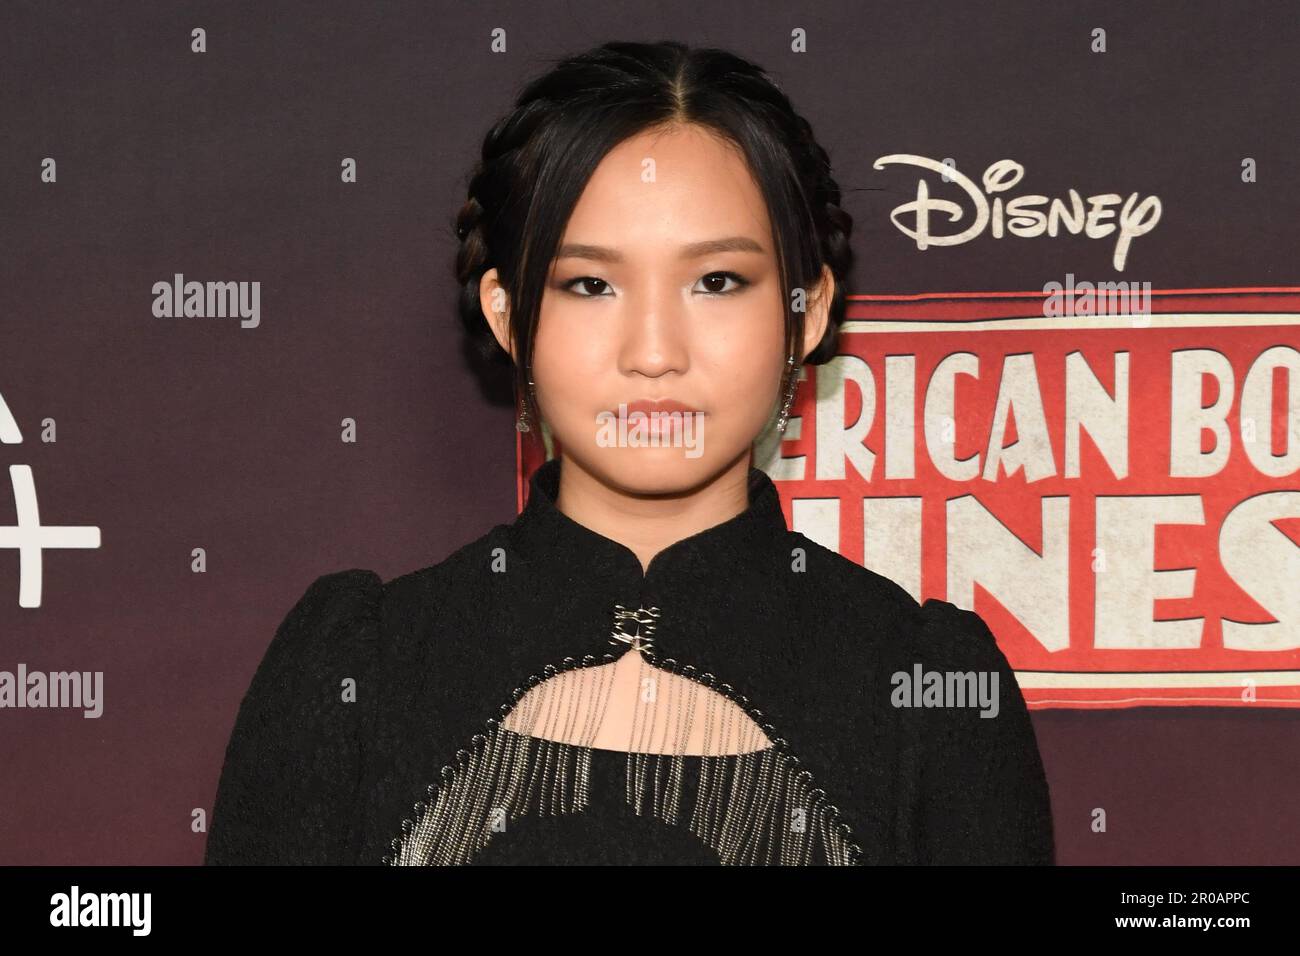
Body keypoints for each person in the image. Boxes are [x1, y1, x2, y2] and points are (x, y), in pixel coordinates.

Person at [205, 39, 1055, 866]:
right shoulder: (360, 669)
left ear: (809, 309)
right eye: (591, 285)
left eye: (717, 282)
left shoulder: (925, 689)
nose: (654, 351)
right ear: (507, 314)